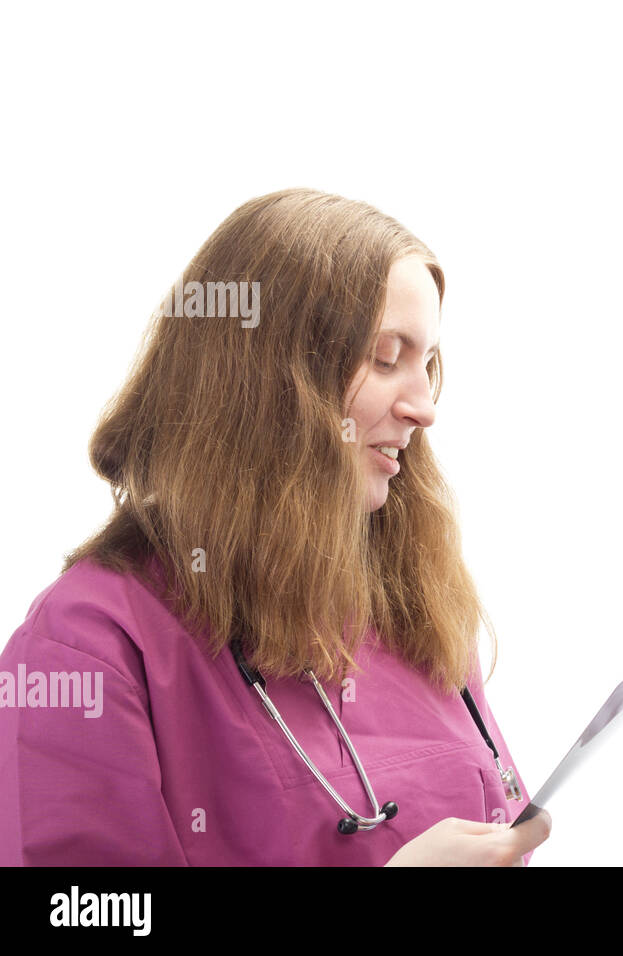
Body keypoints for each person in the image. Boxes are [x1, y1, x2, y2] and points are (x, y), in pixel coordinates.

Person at [0, 188, 551, 866]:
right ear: (270, 380)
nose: (424, 407)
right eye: (385, 357)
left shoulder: (417, 611)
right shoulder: (93, 644)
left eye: (427, 363)